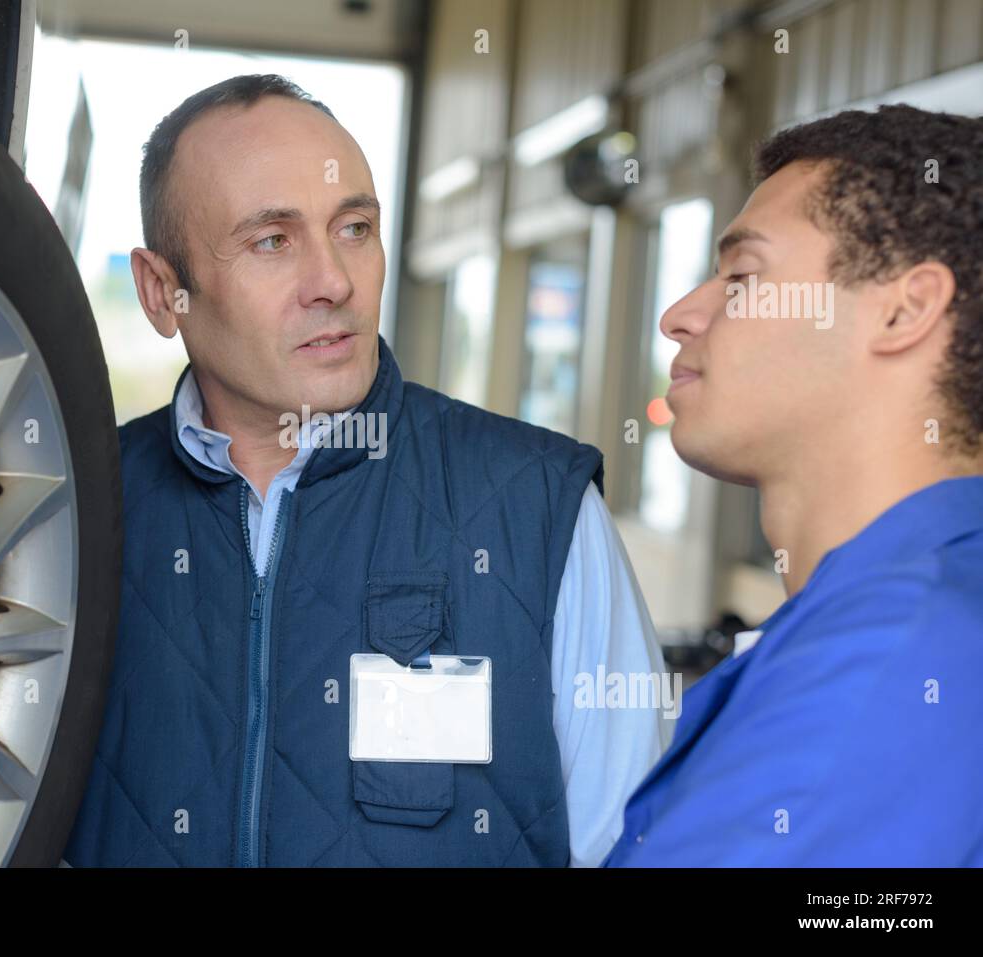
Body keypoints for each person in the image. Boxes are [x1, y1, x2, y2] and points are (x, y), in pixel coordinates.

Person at [64, 74, 669, 867]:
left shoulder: (536, 511)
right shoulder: (74, 517)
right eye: (272, 241)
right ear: (161, 290)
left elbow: (646, 848)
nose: (336, 282)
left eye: (354, 227)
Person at [605, 105, 983, 866]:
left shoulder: (898, 651)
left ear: (905, 309)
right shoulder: (883, 614)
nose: (680, 315)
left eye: (743, 278)